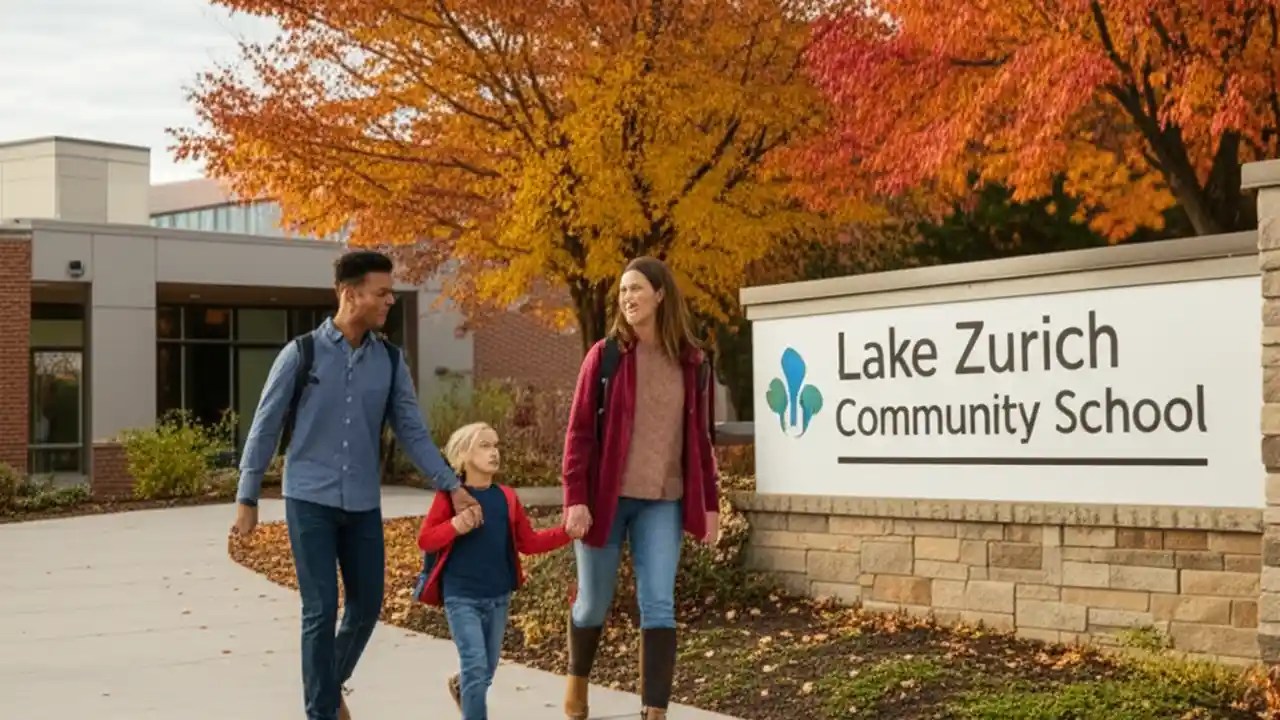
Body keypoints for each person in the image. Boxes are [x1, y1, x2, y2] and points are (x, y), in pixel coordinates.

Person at [232, 250, 480, 720]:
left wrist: (450, 485)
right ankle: (322, 712)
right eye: (381, 292)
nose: (390, 299)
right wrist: (247, 497)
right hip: (309, 499)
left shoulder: (389, 360)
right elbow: (264, 426)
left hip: (363, 502)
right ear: (350, 294)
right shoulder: (300, 354)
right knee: (321, 609)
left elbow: (412, 430)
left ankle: (326, 688)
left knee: (367, 607)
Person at [559, 256, 721, 720]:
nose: (628, 298)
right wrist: (576, 498)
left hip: (663, 502)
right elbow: (579, 434)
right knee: (593, 603)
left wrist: (709, 505)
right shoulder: (605, 357)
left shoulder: (692, 363)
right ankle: (578, 679)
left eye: (636, 289)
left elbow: (701, 442)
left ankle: (655, 711)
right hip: (606, 499)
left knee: (659, 604)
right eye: (623, 292)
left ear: (660, 295)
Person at [416, 421, 572, 720]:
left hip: (498, 596)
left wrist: (567, 532)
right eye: (484, 445)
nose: (494, 452)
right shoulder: (451, 497)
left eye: (496, 445)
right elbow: (426, 539)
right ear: (463, 454)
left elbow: (529, 542)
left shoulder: (507, 497)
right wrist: (455, 526)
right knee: (476, 666)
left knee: (485, 671)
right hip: (461, 597)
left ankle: (460, 686)